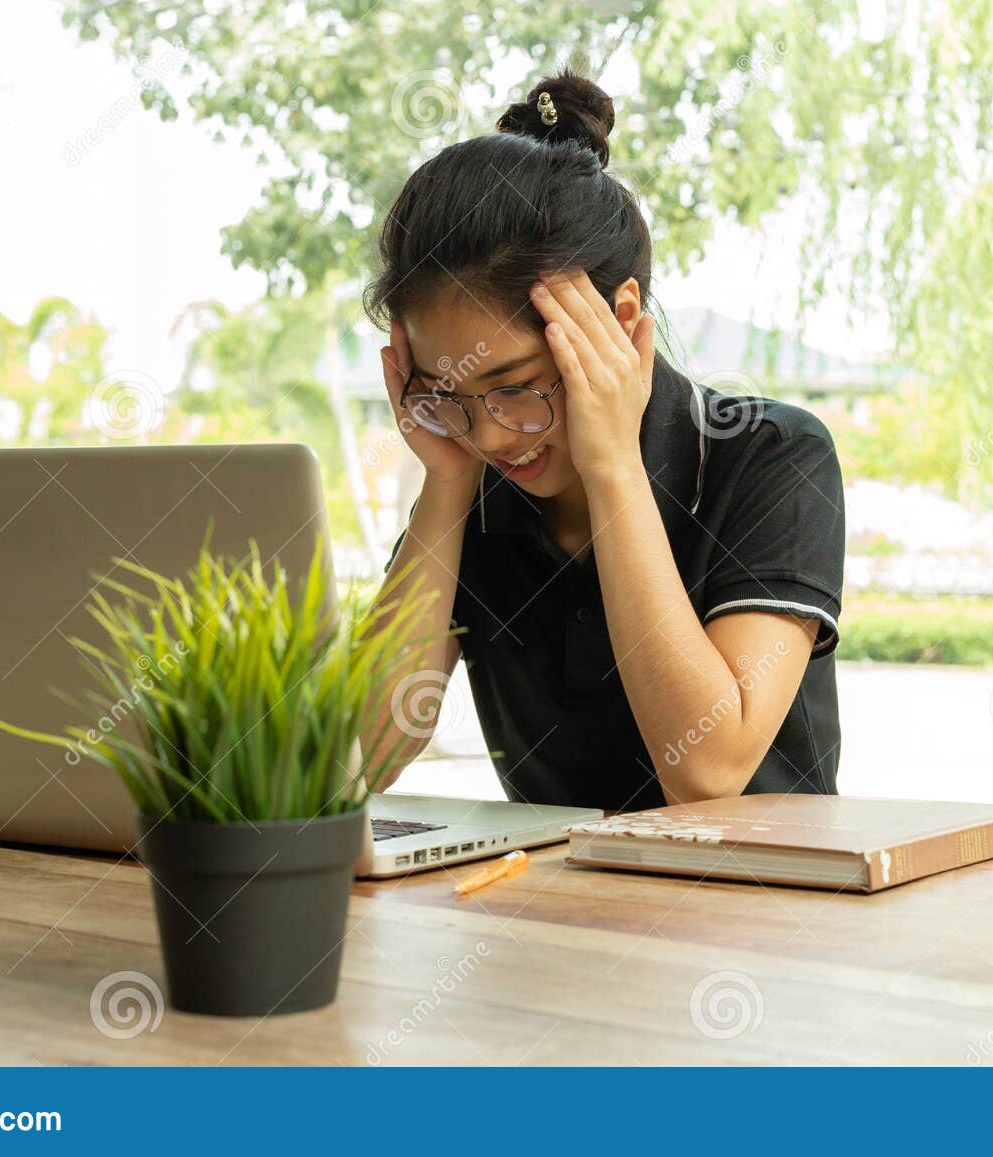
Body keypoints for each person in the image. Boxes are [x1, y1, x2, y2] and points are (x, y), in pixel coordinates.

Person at [361, 68, 845, 818]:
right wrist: (446, 484)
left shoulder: (773, 456)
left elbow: (710, 773)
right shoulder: (472, 488)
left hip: (762, 918)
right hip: (552, 917)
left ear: (619, 321)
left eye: (516, 384)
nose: (490, 433)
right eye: (447, 391)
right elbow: (362, 755)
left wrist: (614, 465)